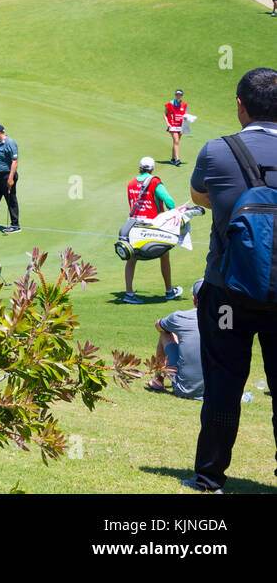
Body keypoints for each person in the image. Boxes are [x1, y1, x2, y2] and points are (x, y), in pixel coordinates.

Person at [184, 67, 277, 492]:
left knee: (223, 385)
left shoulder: (216, 151)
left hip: (227, 294)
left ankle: (209, 477)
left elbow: (199, 196)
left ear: (241, 106)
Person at [122, 157, 182, 304]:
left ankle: (129, 294)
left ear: (140, 167)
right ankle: (169, 291)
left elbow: (131, 202)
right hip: (152, 225)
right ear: (153, 168)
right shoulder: (154, 181)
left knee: (131, 258)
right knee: (164, 255)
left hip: (134, 225)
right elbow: (169, 201)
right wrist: (173, 215)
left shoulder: (131, 183)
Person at [148, 280, 205, 400]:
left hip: (185, 390)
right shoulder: (226, 319)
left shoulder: (180, 317)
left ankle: (158, 380)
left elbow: (158, 326)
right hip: (220, 391)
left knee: (165, 334)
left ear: (194, 300)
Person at [165, 88, 188, 166]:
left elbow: (185, 114)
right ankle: (177, 159)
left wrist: (187, 118)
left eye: (180, 95)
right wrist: (167, 123)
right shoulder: (170, 103)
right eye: (177, 95)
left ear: (182, 96)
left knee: (176, 142)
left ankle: (173, 158)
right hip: (172, 125)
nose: (178, 96)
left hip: (180, 126)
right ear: (175, 95)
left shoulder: (184, 104)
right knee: (176, 141)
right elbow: (165, 114)